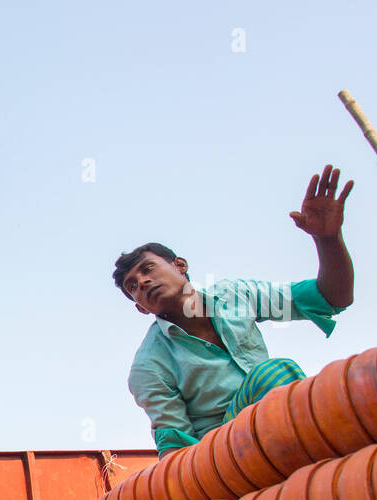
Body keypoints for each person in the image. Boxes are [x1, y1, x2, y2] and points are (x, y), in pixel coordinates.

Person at [114, 165, 355, 457]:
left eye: (148, 269)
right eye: (133, 286)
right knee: (274, 374)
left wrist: (327, 239)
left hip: (277, 424)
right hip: (222, 457)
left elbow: (332, 297)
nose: (143, 282)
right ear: (140, 308)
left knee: (333, 391)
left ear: (180, 265)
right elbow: (175, 450)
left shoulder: (235, 296)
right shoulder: (149, 366)